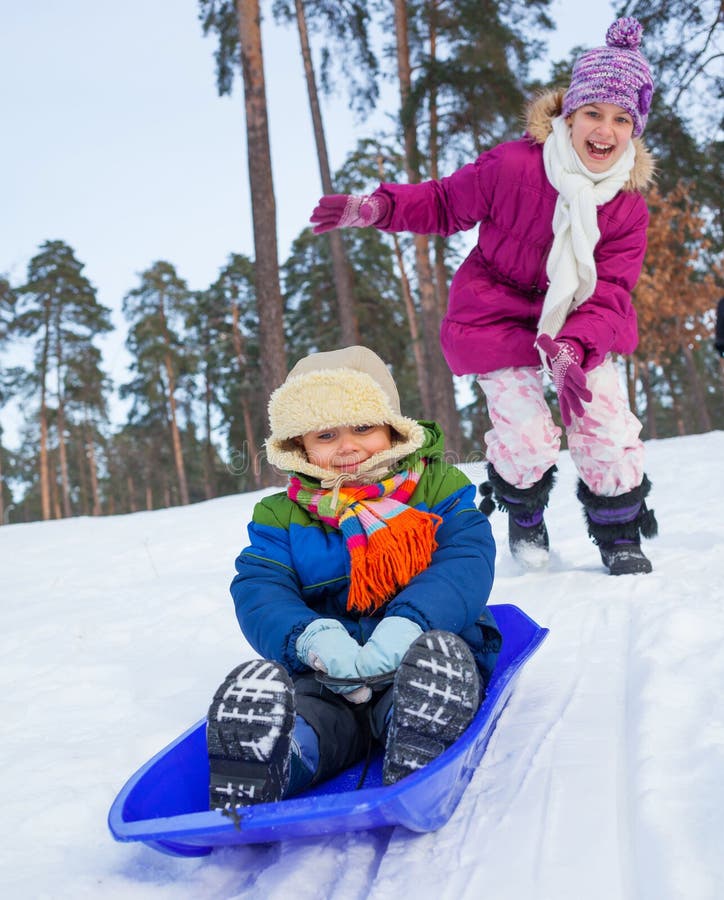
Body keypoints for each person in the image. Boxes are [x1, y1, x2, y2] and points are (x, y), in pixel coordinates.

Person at [310, 18, 659, 576]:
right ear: (568, 115)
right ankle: (523, 516)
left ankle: (619, 531)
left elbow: (612, 292)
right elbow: (446, 203)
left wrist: (574, 347)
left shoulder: (627, 209)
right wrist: (379, 208)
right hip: (496, 312)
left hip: (579, 325)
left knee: (608, 426)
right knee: (527, 434)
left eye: (621, 119)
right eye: (593, 113)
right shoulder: (515, 165)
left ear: (634, 131)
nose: (604, 130)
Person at [207, 345, 501, 814]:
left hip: (427, 647)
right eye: (326, 434)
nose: (347, 446)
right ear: (300, 443)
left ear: (392, 427)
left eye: (363, 427)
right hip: (331, 671)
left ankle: (420, 727)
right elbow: (260, 586)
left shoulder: (435, 486)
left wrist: (412, 623)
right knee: (315, 711)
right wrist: (311, 637)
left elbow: (466, 557)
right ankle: (278, 756)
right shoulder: (280, 515)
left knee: (428, 676)